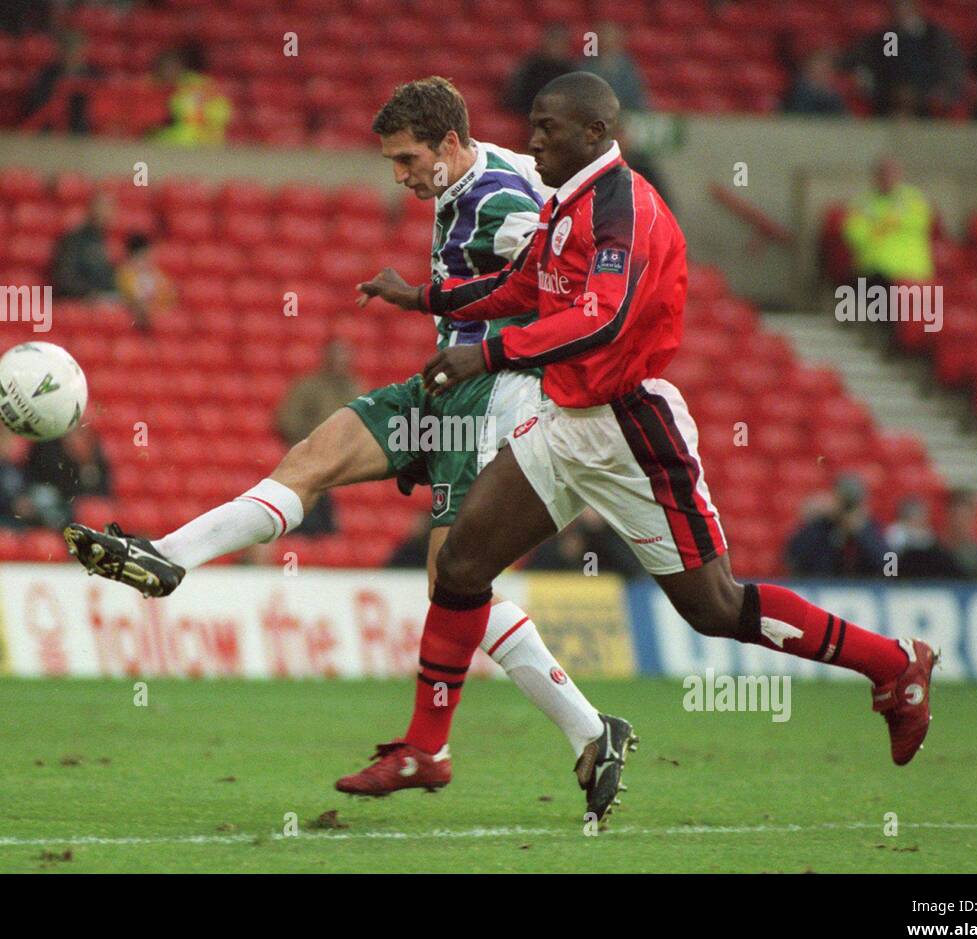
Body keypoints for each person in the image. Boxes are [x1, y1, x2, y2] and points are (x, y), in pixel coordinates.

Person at [355, 73, 939, 825]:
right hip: (565, 421)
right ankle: (425, 749)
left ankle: (895, 665)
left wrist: (487, 357)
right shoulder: (565, 203)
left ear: (595, 134)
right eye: (532, 125)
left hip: (630, 429)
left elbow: (600, 320)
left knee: (715, 607)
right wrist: (426, 300)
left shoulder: (625, 207)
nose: (533, 140)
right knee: (461, 567)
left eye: (549, 128)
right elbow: (522, 286)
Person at [62, 77, 628, 818]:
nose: (398, 176)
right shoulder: (481, 170)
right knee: (313, 458)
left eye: (406, 159)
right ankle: (170, 557)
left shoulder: (496, 200)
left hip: (490, 396)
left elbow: (564, 275)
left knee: (453, 584)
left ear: (449, 145)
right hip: (442, 384)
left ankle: (583, 731)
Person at [273, 339, 362, 536]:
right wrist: (314, 440)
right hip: (310, 455)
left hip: (342, 459)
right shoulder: (307, 387)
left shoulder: (355, 390)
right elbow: (287, 421)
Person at [842, 0, 964, 116]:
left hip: (926, 102)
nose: (902, 11)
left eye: (906, 6)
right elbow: (884, 66)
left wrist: (929, 94)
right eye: (899, 7)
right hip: (888, 102)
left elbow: (949, 68)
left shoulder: (934, 37)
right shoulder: (887, 38)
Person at [842, 157, 934, 287]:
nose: (887, 177)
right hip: (871, 271)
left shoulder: (913, 198)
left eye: (891, 172)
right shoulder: (862, 202)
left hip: (908, 274)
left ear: (899, 174)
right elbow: (854, 233)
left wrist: (876, 227)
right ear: (875, 176)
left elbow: (919, 222)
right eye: (882, 173)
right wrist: (892, 223)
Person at [786, 477, 890, 577]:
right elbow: (795, 557)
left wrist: (862, 534)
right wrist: (834, 534)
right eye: (843, 503)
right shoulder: (821, 525)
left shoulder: (869, 527)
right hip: (822, 586)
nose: (846, 509)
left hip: (865, 588)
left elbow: (889, 567)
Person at [25, 30, 101, 134]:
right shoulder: (47, 76)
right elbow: (39, 107)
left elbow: (100, 110)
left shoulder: (96, 76)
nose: (72, 53)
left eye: (76, 49)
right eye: (68, 49)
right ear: (60, 50)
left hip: (87, 135)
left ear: (84, 49)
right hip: (51, 134)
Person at [151, 49, 232, 147]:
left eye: (167, 69)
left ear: (178, 67)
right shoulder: (201, 83)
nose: (164, 73)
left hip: (191, 140)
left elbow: (190, 117)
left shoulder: (189, 88)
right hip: (210, 140)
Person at [51, 194, 117, 299]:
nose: (105, 215)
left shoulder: (107, 242)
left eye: (109, 210)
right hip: (79, 300)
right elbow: (65, 277)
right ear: (90, 211)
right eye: (101, 210)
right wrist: (90, 293)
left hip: (105, 300)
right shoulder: (74, 240)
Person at [503, 24, 574, 117]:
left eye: (561, 43)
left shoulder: (570, 70)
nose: (557, 47)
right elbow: (516, 96)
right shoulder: (531, 68)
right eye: (554, 43)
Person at [885, 497, 963, 578]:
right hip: (899, 577)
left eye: (921, 515)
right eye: (915, 515)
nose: (919, 519)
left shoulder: (928, 535)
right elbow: (890, 562)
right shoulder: (896, 532)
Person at [579, 22, 648, 112]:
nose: (608, 42)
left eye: (611, 38)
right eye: (604, 37)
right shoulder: (587, 66)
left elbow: (636, 98)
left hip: (623, 116)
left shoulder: (629, 69)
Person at [115, 233, 175, 328]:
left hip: (157, 320)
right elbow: (130, 298)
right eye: (143, 255)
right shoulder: (125, 274)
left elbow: (169, 297)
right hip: (133, 320)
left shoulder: (157, 275)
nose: (148, 259)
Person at [782, 51, 848, 115]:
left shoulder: (833, 96)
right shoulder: (795, 93)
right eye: (819, 70)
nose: (822, 74)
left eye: (825, 70)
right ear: (808, 71)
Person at [941, 489, 977, 577]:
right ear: (948, 514)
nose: (960, 522)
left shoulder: (976, 553)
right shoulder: (932, 547)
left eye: (965, 517)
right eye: (957, 515)